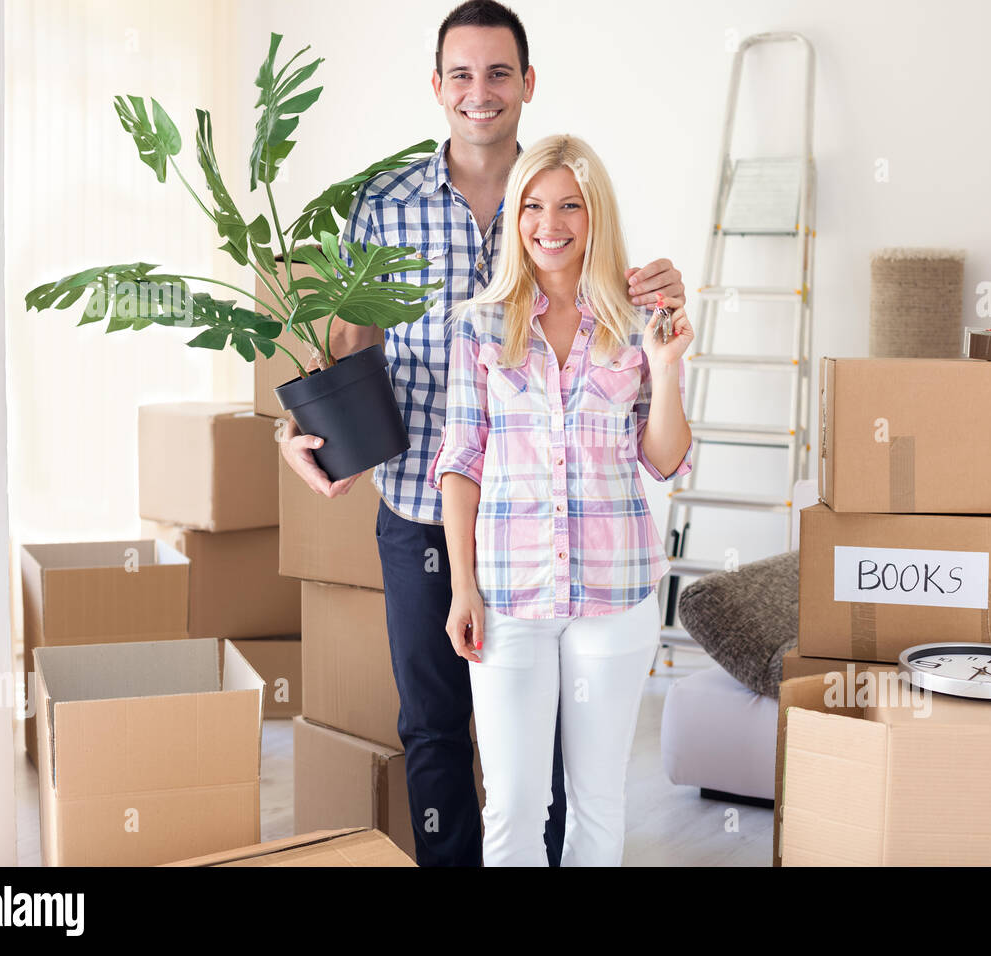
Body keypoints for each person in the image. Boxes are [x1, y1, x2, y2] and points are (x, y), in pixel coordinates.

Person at [278, 0, 686, 867]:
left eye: (499, 72)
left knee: (549, 758)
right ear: (437, 86)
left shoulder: (559, 204)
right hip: (425, 506)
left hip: (551, 526)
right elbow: (348, 346)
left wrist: (669, 300)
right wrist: (303, 427)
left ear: (527, 83)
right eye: (461, 74)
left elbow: (621, 337)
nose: (480, 92)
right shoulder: (384, 207)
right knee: (432, 728)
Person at [429, 134, 694, 866]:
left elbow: (664, 457)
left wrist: (666, 369)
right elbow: (462, 460)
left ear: (594, 215)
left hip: (616, 596)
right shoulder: (478, 325)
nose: (552, 223)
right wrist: (462, 586)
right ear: (516, 218)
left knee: (598, 802)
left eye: (570, 205)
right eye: (535, 206)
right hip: (510, 596)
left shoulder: (640, 323)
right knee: (514, 804)